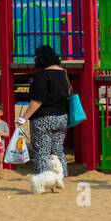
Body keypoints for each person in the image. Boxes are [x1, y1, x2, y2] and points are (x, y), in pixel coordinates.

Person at [20, 44, 71, 181]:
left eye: (36, 56)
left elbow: (37, 101)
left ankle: (42, 181)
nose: (34, 58)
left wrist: (24, 117)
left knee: (42, 152)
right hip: (62, 117)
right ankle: (61, 178)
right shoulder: (62, 72)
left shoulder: (42, 76)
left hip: (44, 119)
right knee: (57, 150)